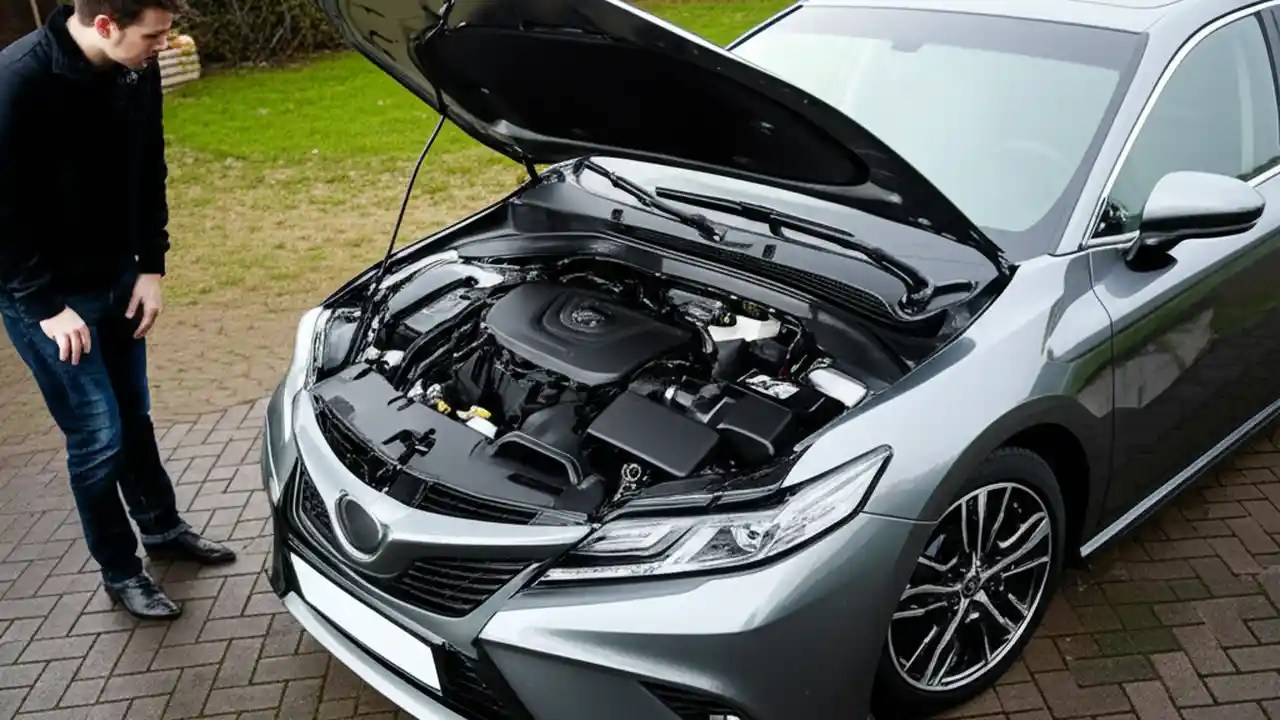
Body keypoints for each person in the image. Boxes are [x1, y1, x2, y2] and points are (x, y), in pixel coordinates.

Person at [0, 0, 236, 620]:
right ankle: (120, 570)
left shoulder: (137, 67)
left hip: (118, 278)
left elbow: (147, 165)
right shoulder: (17, 80)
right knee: (98, 436)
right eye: (154, 35)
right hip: (45, 298)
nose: (166, 44)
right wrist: (45, 305)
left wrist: (151, 266)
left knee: (135, 415)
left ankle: (161, 530)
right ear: (105, 25)